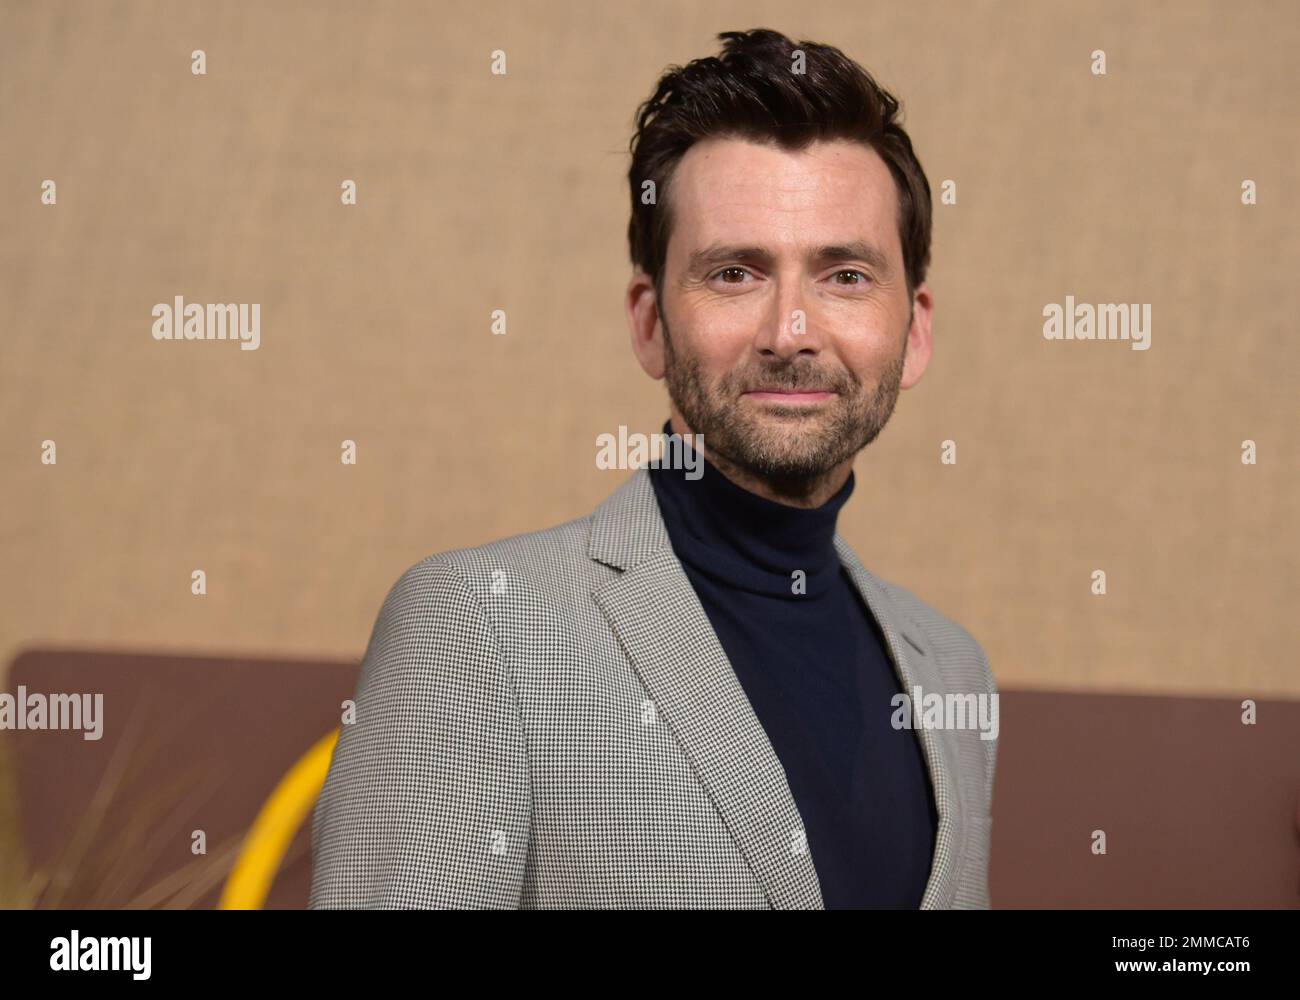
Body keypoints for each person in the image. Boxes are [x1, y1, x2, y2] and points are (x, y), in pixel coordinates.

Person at [310, 27, 997, 909]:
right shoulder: (475, 630)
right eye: (736, 272)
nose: (790, 331)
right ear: (648, 322)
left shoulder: (952, 673)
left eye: (847, 276)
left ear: (917, 328)